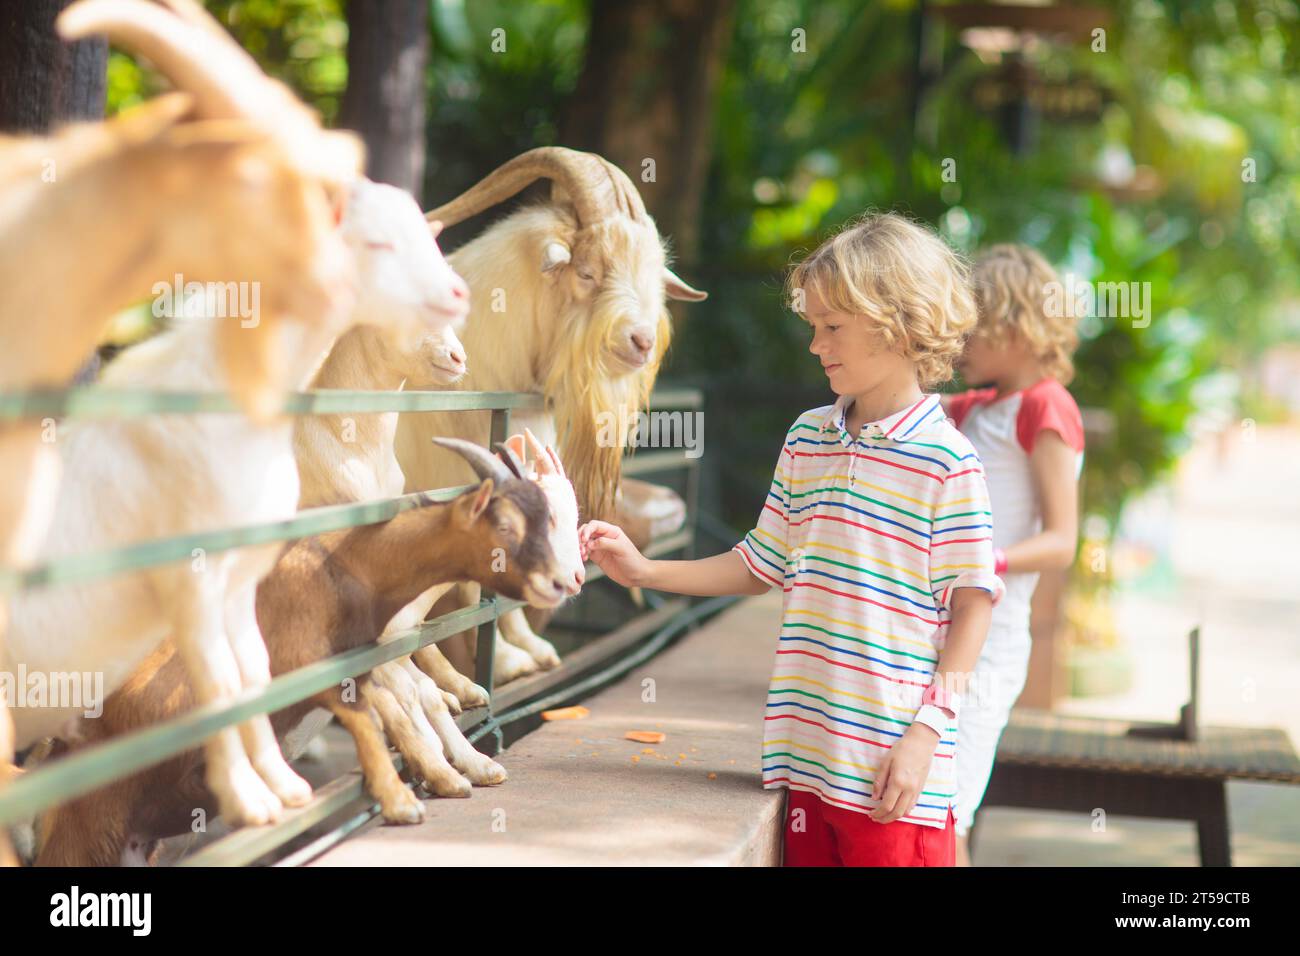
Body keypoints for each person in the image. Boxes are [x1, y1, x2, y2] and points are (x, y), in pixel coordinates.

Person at [579, 212, 1003, 866]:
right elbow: (761, 561)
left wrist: (927, 732)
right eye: (813, 327)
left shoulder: (948, 463)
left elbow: (974, 608)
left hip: (892, 784)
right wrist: (643, 571)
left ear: (897, 321)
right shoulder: (808, 436)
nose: (815, 345)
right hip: (803, 768)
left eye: (831, 327)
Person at [942, 243, 1085, 866]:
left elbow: (1061, 541)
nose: (962, 342)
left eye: (975, 328)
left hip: (993, 637)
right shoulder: (977, 406)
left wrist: (985, 561)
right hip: (940, 631)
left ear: (1016, 326)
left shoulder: (1045, 406)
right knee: (923, 803)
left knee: (951, 812)